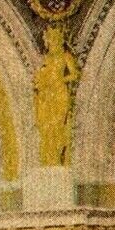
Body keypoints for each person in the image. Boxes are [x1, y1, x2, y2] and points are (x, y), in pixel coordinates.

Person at [33, 26, 79, 167]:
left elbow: (75, 74)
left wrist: (61, 80)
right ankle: (49, 158)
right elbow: (40, 76)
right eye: (50, 40)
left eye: (55, 39)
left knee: (58, 125)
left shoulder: (66, 56)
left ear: (60, 40)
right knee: (47, 127)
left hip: (60, 94)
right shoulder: (47, 58)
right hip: (46, 96)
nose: (52, 42)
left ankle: (59, 156)